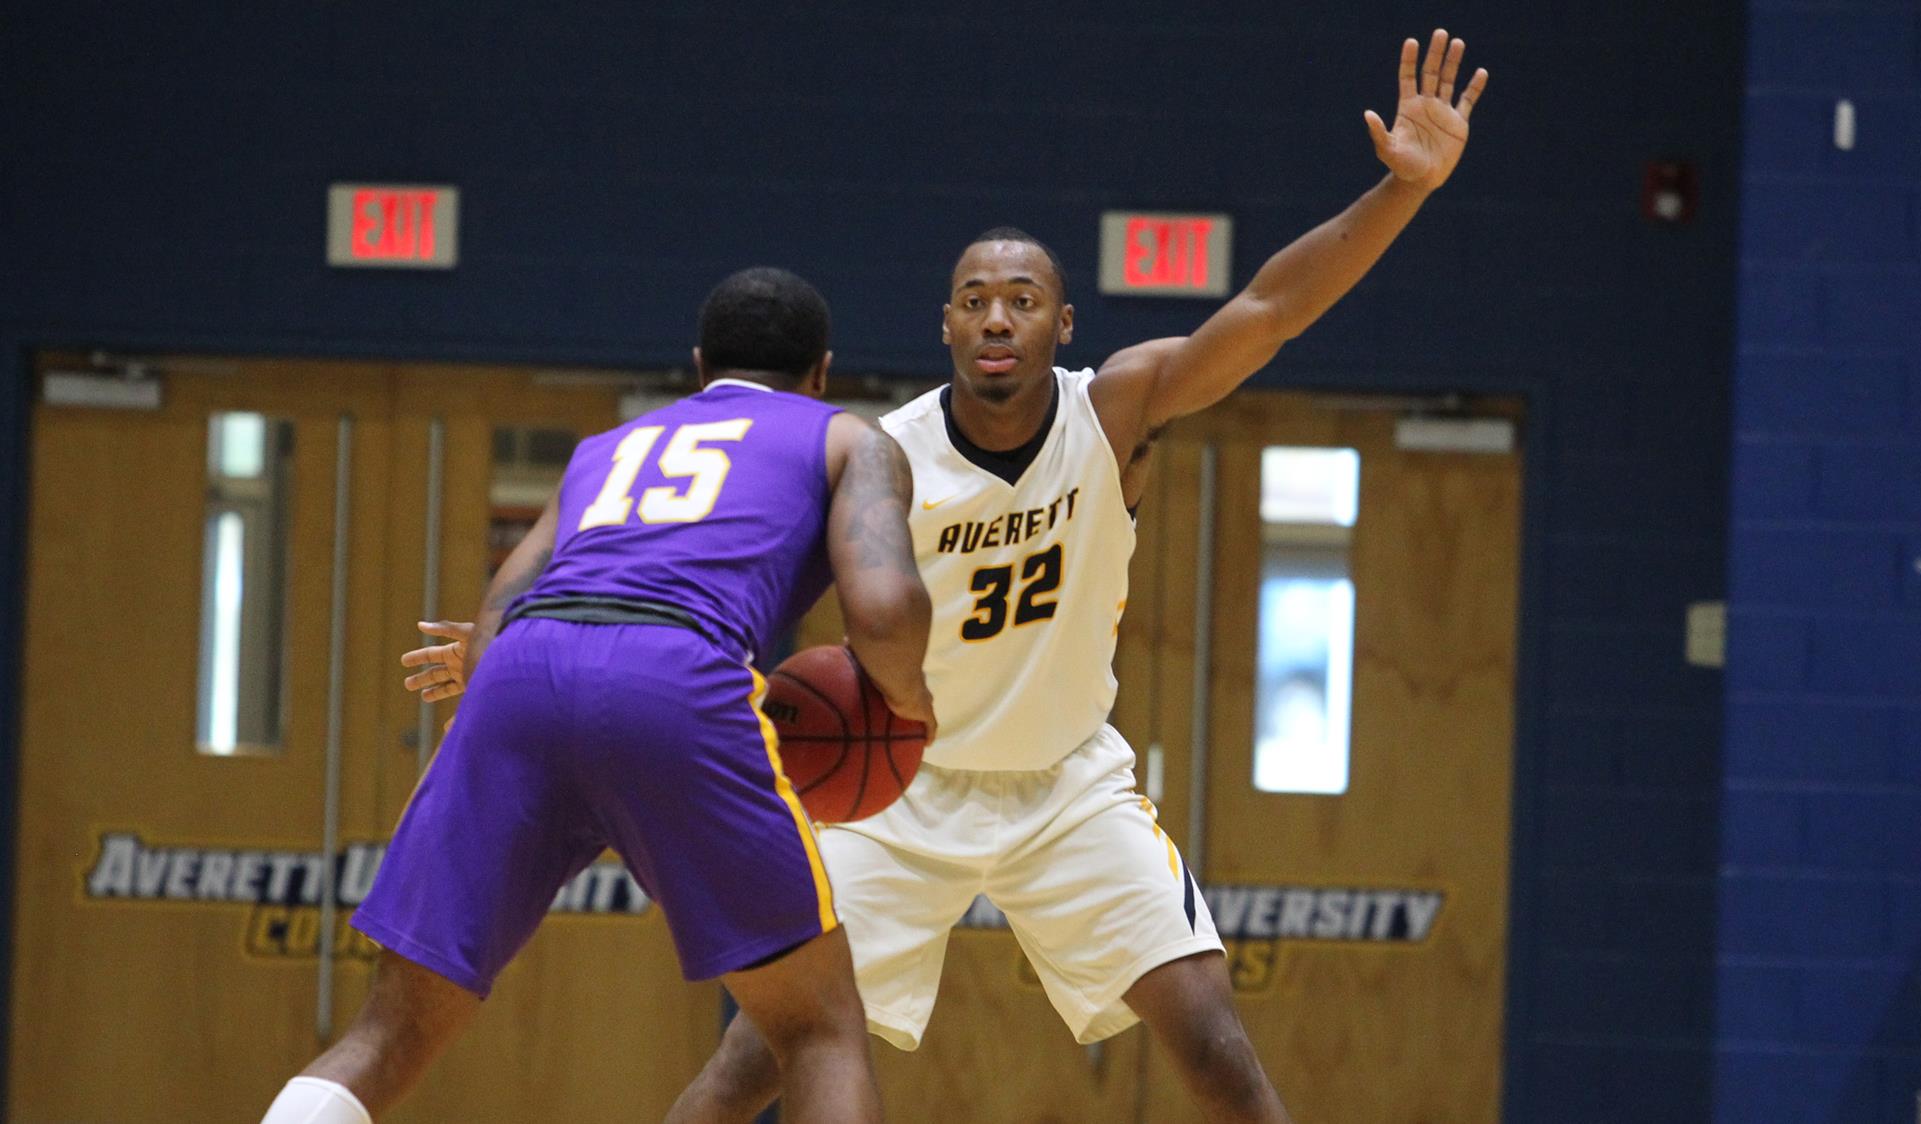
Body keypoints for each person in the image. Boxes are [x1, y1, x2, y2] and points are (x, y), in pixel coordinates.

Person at [406, 29, 1485, 1123]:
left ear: (1062, 322)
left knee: (1216, 1048)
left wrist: (1400, 189)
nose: (996, 315)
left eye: (1021, 297)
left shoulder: (1114, 411)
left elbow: (1268, 311)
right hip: (895, 787)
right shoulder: (881, 456)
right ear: (946, 324)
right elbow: (712, 573)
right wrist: (528, 636)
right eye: (973, 298)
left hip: (1066, 781)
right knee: (750, 1065)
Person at [260, 268, 935, 1124]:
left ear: (700, 365)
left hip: (521, 673)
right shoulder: (847, 437)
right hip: (677, 673)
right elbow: (883, 610)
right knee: (818, 1029)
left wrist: (527, 673)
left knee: (388, 1030)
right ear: (821, 372)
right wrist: (909, 703)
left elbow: (494, 626)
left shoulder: (606, 448)